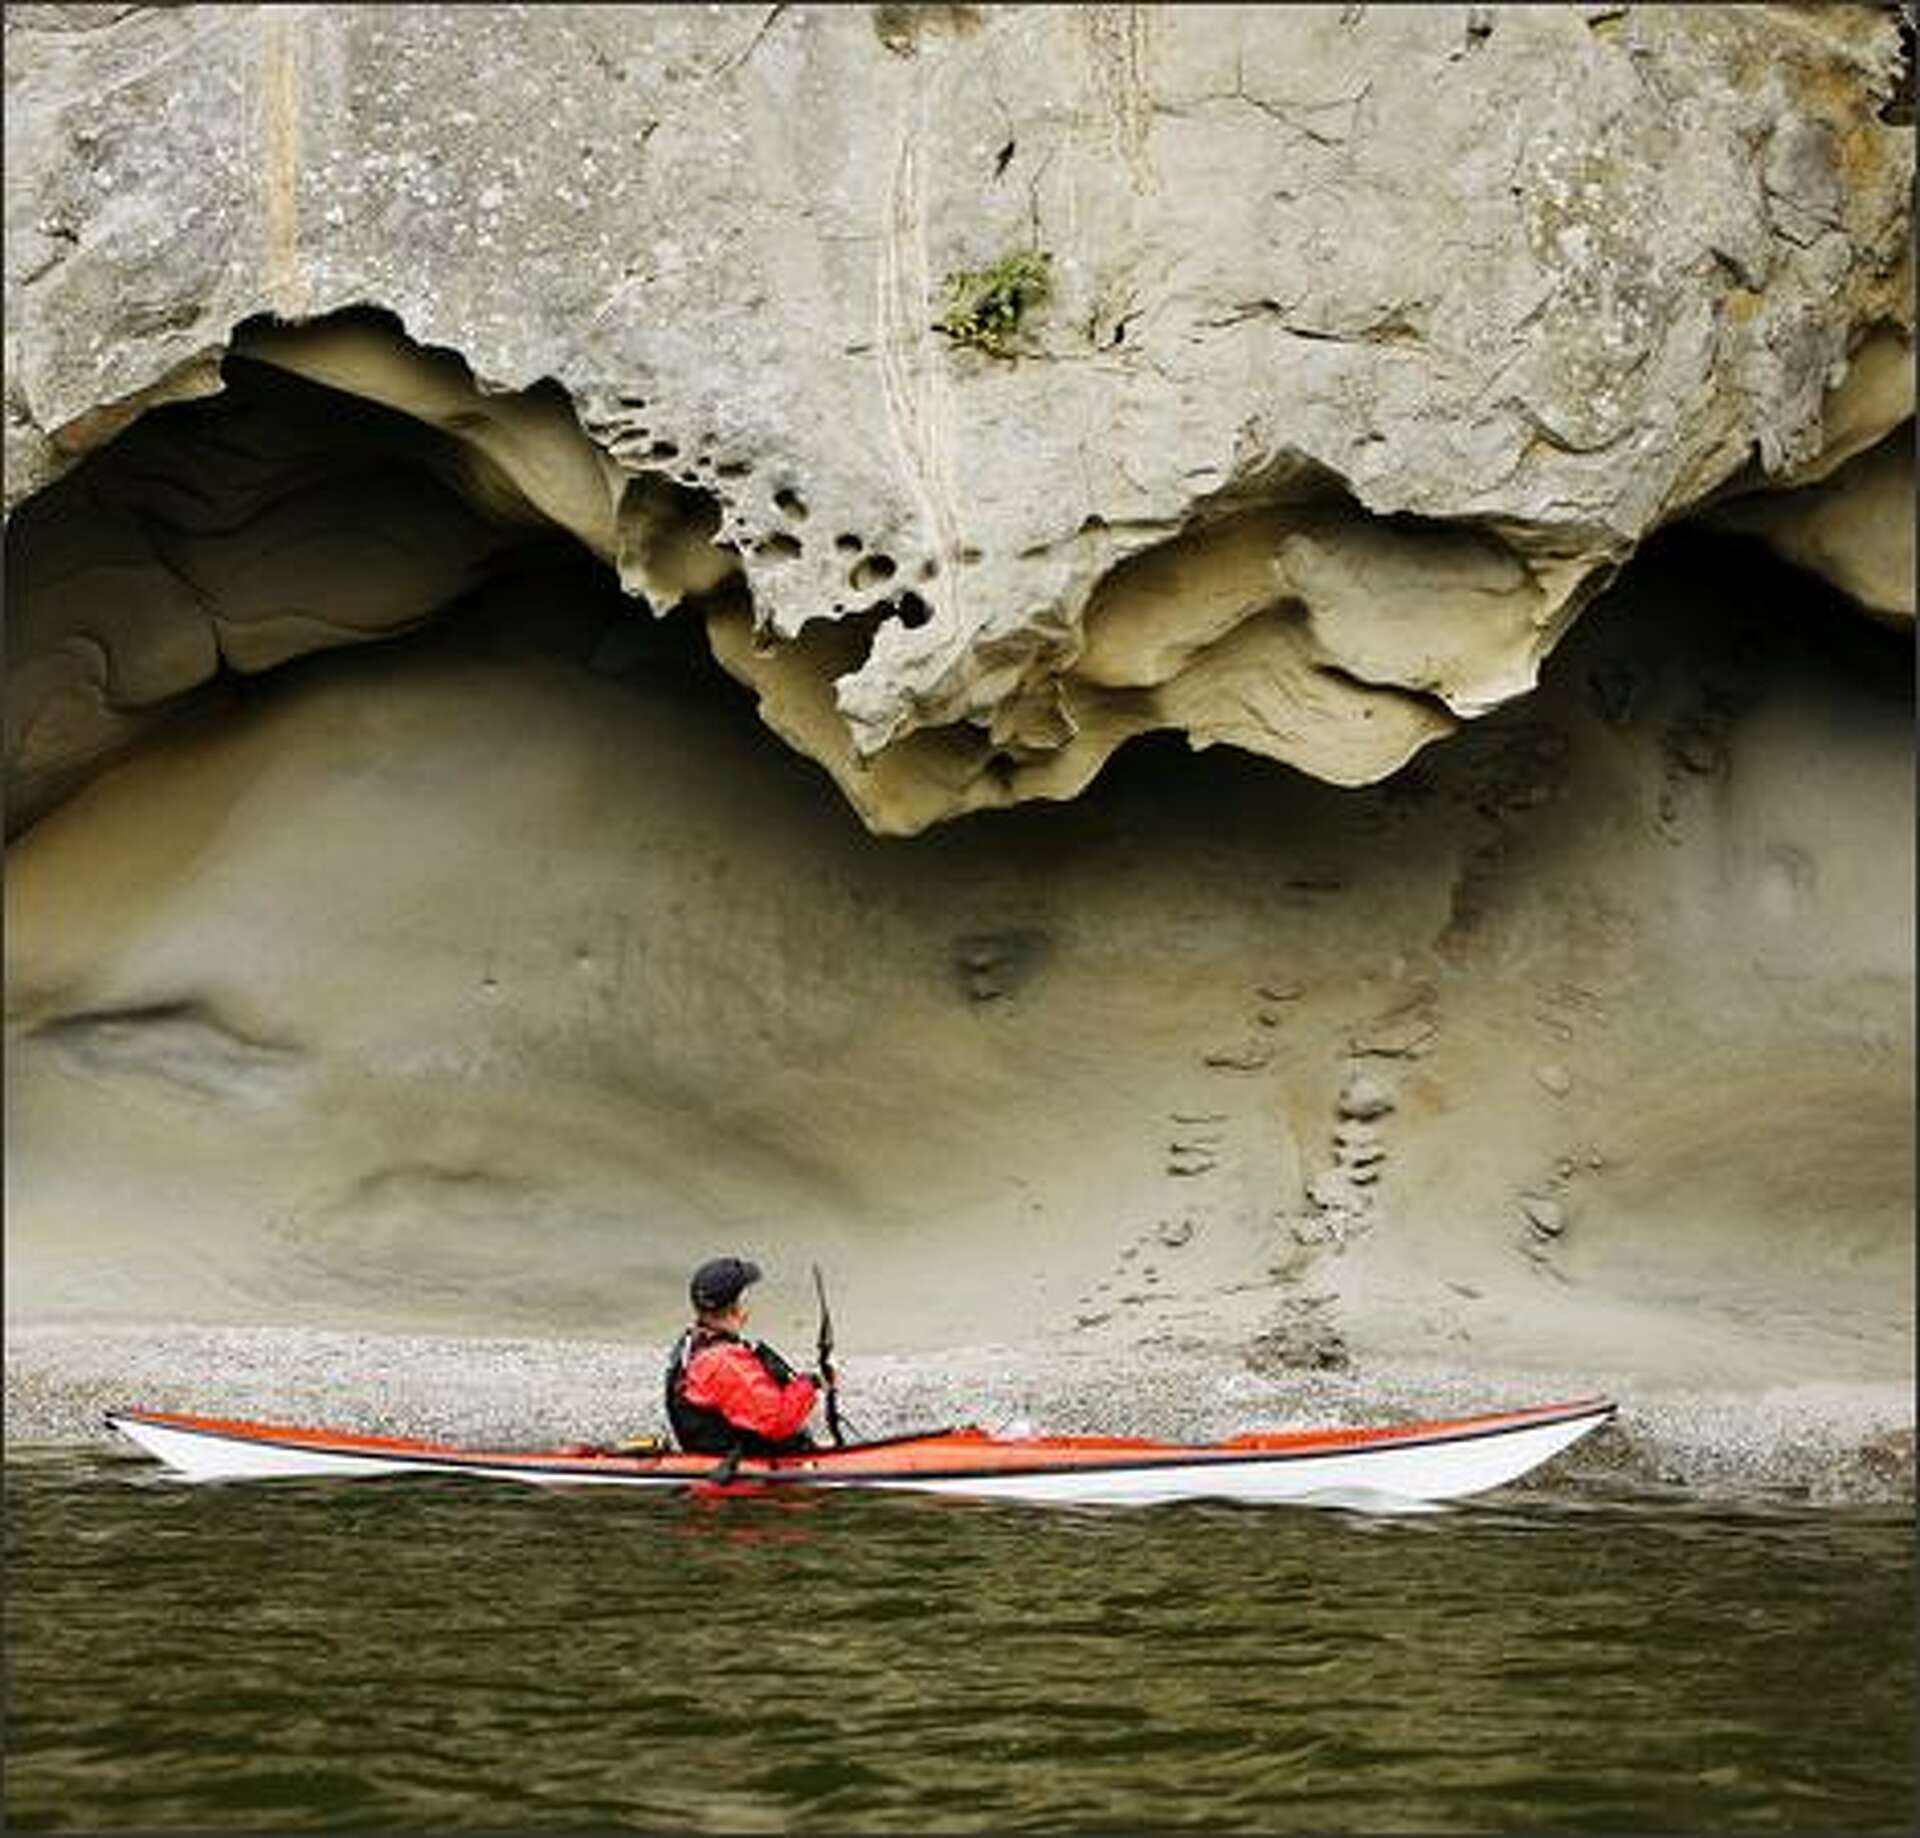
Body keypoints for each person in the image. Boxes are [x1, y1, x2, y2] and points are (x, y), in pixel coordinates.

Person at [664, 1256, 825, 1456]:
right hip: (739, 1464)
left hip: (717, 1454)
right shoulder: (724, 1362)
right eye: (745, 1298)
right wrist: (811, 1384)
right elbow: (777, 1423)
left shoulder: (694, 1342)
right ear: (736, 1308)